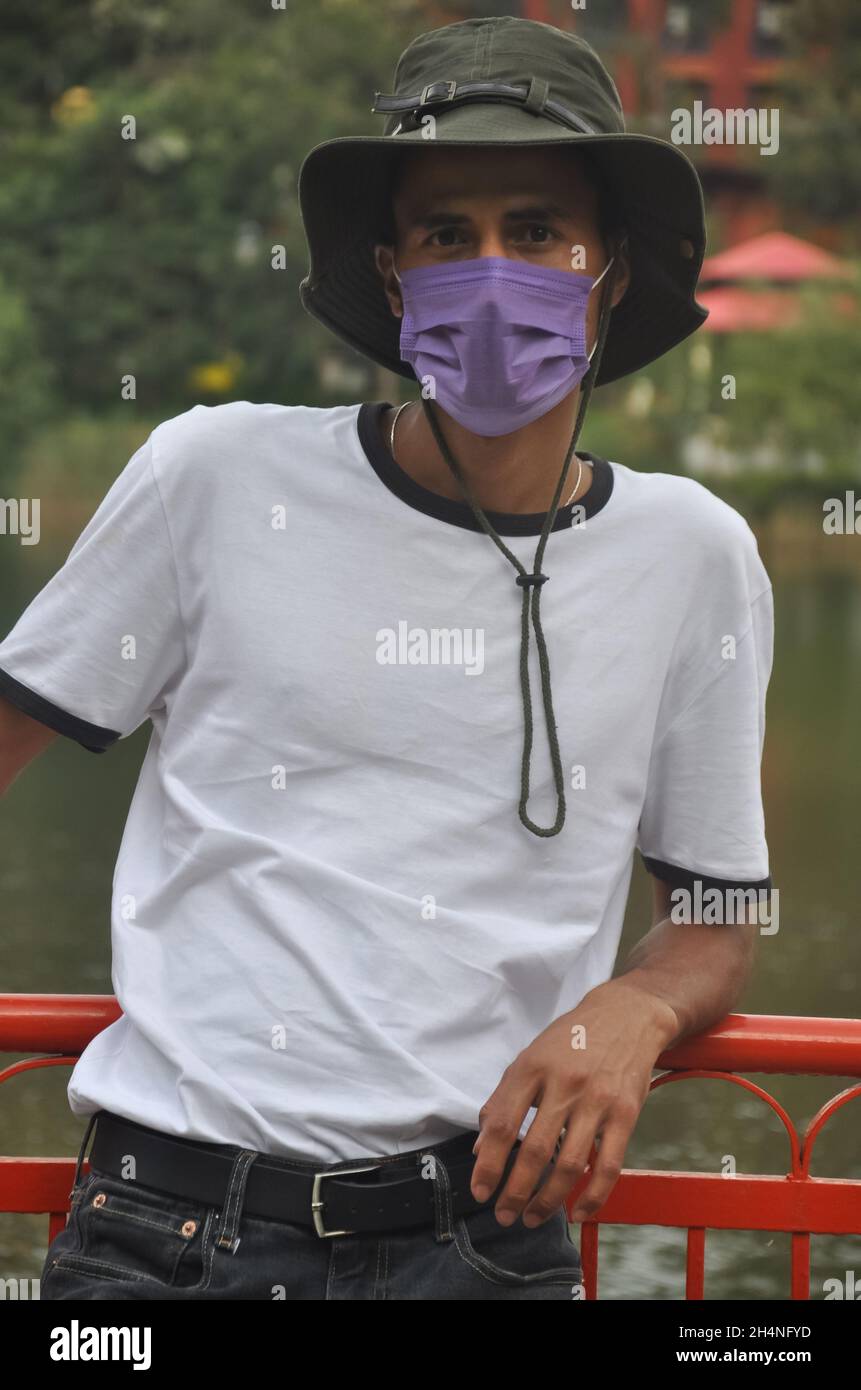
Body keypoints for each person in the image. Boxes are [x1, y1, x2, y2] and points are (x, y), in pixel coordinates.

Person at [0, 16, 772, 1301]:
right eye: (444, 236)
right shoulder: (217, 475)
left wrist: (631, 1015)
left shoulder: (692, 554)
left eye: (536, 233)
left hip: (483, 1238)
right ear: (391, 272)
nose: (490, 270)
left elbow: (720, 913)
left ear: (612, 271)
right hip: (169, 1235)